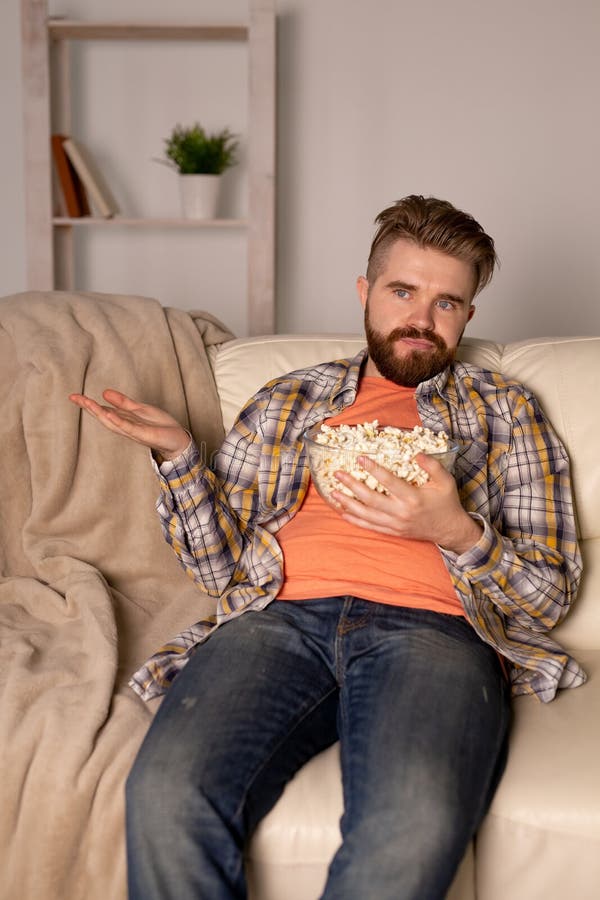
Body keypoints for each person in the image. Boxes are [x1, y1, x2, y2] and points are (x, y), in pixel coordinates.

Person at [69, 195, 585, 900]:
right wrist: (181, 455)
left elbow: (551, 596)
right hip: (276, 619)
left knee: (414, 820)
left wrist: (454, 530)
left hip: (435, 633)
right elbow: (219, 570)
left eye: (448, 303)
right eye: (403, 291)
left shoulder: (506, 410)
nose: (422, 321)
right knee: (165, 793)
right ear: (365, 291)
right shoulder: (288, 399)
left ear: (469, 314)